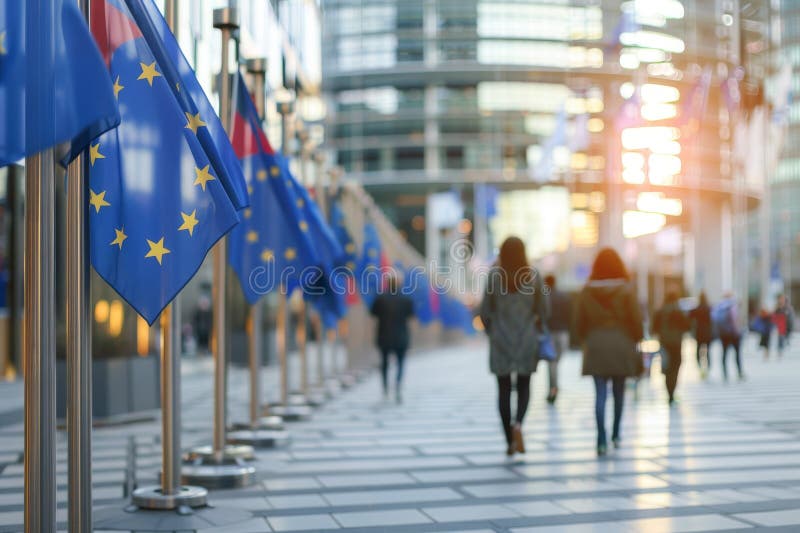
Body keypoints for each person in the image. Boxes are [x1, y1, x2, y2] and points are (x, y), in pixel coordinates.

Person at [479, 237, 548, 456]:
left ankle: (509, 440)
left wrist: (492, 331)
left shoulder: (494, 276)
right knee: (525, 386)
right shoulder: (534, 276)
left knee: (504, 389)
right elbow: (545, 309)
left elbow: (484, 310)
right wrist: (536, 326)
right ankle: (519, 424)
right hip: (526, 339)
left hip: (501, 341)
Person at [574, 248, 643, 457]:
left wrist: (585, 338)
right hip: (621, 344)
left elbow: (578, 323)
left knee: (600, 394)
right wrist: (637, 338)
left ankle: (601, 439)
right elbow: (636, 321)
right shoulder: (626, 290)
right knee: (619, 392)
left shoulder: (586, 291)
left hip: (596, 345)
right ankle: (616, 434)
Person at [369, 274, 415, 404]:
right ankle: (398, 386)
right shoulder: (406, 298)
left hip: (384, 335)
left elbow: (373, 313)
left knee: (384, 363)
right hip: (401, 336)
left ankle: (385, 388)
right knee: (401, 363)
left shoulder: (380, 298)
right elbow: (411, 315)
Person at [654, 291, 690, 405]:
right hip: (676, 343)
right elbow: (687, 326)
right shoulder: (678, 311)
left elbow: (654, 328)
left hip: (664, 343)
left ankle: (668, 393)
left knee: (667, 368)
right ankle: (672, 393)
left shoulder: (660, 311)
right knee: (675, 368)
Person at [543, 274, 571, 404]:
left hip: (550, 333)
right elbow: (570, 314)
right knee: (556, 362)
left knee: (551, 363)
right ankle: (554, 387)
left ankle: (553, 388)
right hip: (563, 333)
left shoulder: (544, 297)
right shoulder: (564, 296)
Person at [712, 292, 745, 381]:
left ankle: (725, 373)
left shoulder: (719, 306)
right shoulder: (732, 306)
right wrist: (738, 332)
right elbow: (735, 321)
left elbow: (714, 319)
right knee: (737, 353)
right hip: (733, 335)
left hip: (724, 334)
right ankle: (739, 372)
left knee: (724, 354)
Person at [689, 292, 713, 379]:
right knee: (708, 351)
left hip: (699, 332)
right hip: (708, 333)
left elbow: (689, 317)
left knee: (698, 350)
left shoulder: (697, 308)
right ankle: (708, 368)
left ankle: (699, 367)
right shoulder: (709, 308)